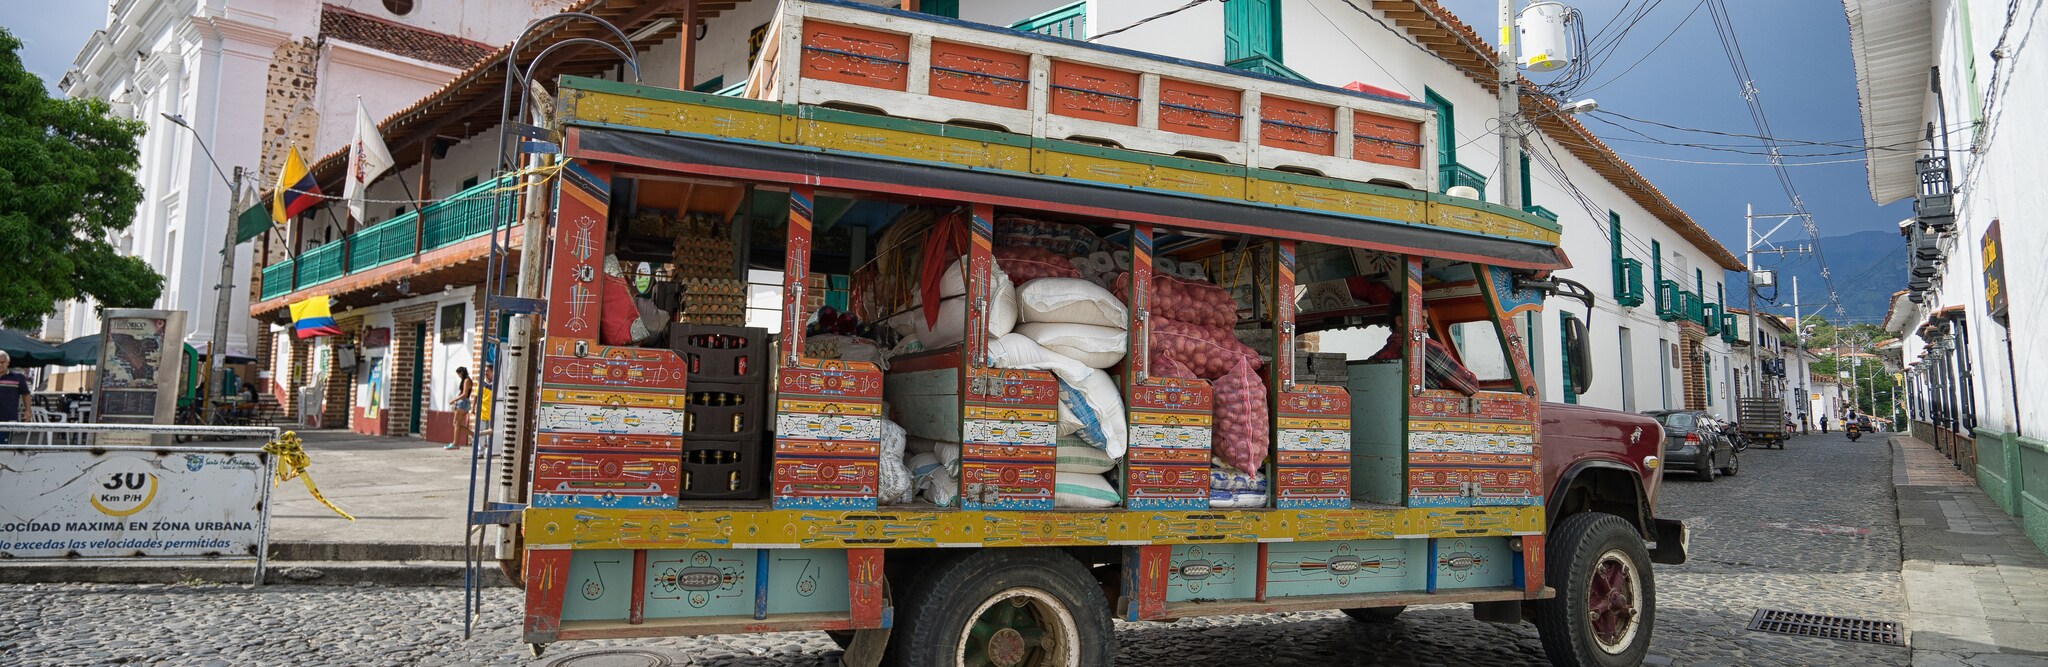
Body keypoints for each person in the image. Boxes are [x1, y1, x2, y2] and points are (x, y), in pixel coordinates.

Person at [0, 352, 29, 444]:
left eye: (3, 362)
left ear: (8, 363)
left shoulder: (18, 377)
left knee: (4, 448)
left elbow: (26, 394)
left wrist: (28, 410)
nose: (0, 364)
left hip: (7, 419)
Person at [445, 367, 474, 450]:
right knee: (456, 424)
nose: (459, 376)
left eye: (459, 374)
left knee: (457, 423)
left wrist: (454, 399)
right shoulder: (465, 380)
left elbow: (465, 394)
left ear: (461, 373)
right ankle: (473, 435)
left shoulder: (466, 380)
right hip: (462, 403)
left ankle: (455, 443)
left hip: (463, 403)